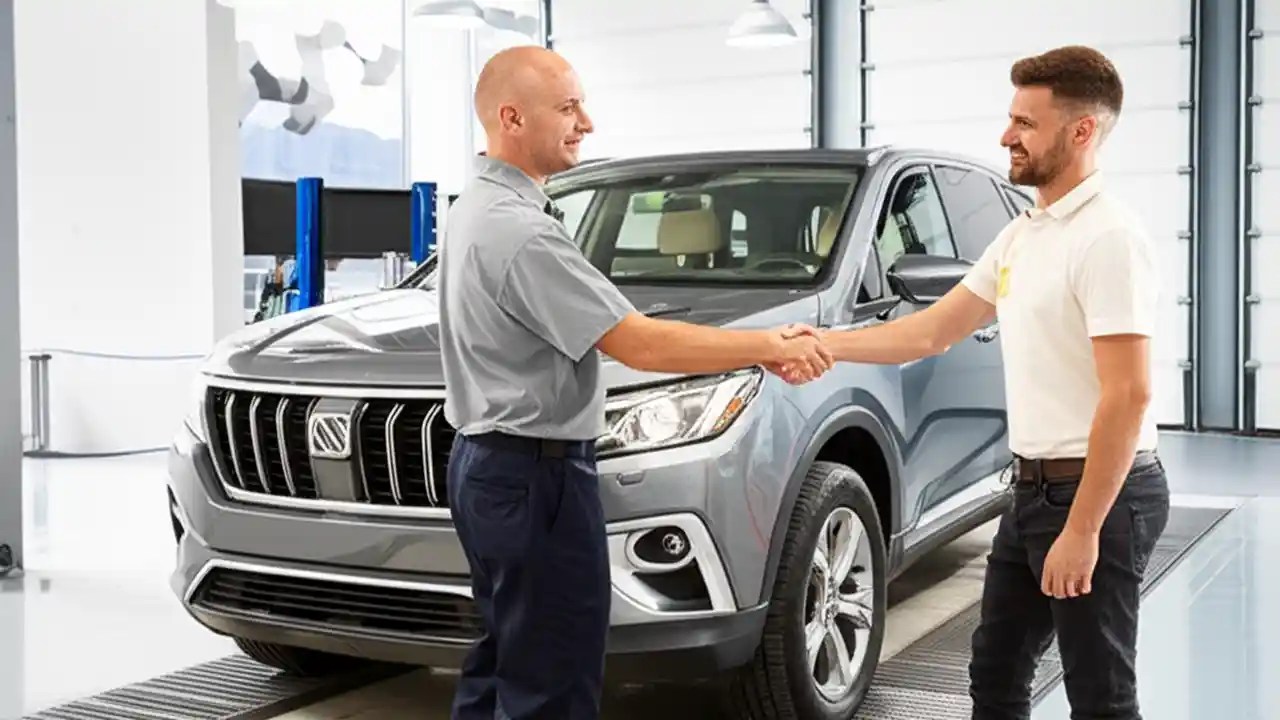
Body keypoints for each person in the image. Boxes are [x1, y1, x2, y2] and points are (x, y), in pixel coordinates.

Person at [436, 45, 833, 720]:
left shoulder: (475, 208)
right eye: (567, 107)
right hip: (538, 479)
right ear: (510, 117)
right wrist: (767, 345)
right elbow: (640, 344)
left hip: (488, 466)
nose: (585, 122)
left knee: (506, 659)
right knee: (552, 681)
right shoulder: (522, 233)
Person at [780, 45, 1171, 719]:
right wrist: (824, 344)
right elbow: (932, 330)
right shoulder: (1025, 233)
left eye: (1025, 122)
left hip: (1097, 495)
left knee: (1101, 696)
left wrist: (1082, 529)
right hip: (1031, 492)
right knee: (995, 674)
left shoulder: (1108, 237)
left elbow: (1129, 393)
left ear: (1081, 131)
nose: (1005, 136)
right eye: (1009, 117)